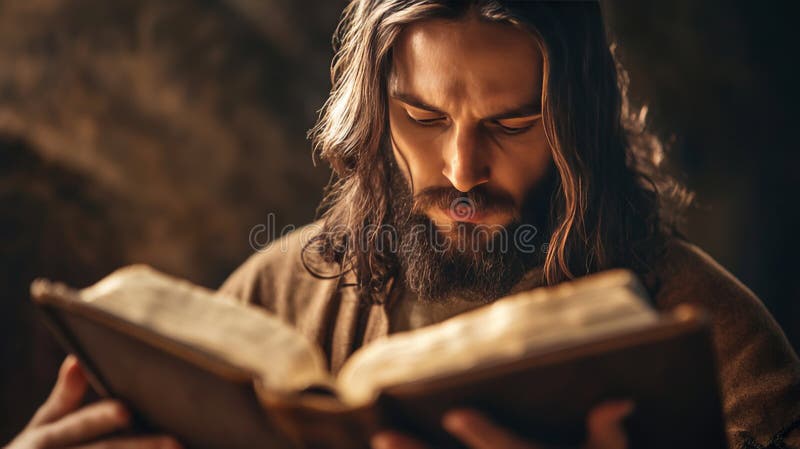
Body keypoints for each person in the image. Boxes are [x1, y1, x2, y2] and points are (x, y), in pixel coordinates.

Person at [8, 1, 799, 449]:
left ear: (578, 132)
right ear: (371, 120)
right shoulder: (281, 293)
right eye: (421, 116)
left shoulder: (719, 345)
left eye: (514, 123)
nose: (461, 170)